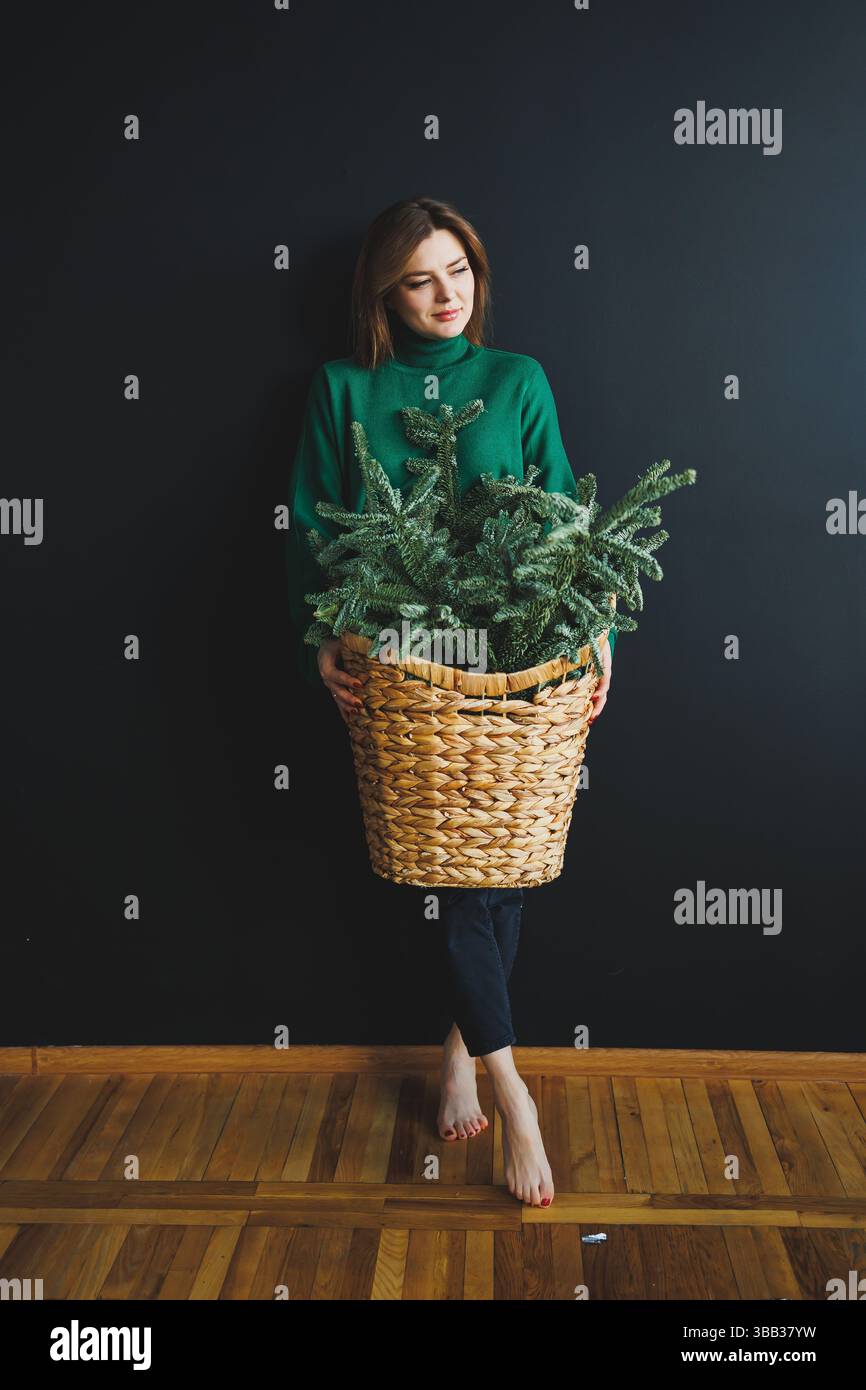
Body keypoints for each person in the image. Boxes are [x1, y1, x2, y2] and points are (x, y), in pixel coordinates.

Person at [286, 196, 615, 1208]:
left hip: (513, 654)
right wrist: (324, 639)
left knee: (500, 872)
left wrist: (595, 630)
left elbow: (563, 509)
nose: (446, 294)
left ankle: (464, 1053)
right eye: (422, 278)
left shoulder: (516, 381)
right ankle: (513, 1091)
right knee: (460, 874)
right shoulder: (344, 390)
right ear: (385, 292)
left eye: (460, 271)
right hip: (408, 659)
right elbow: (314, 525)